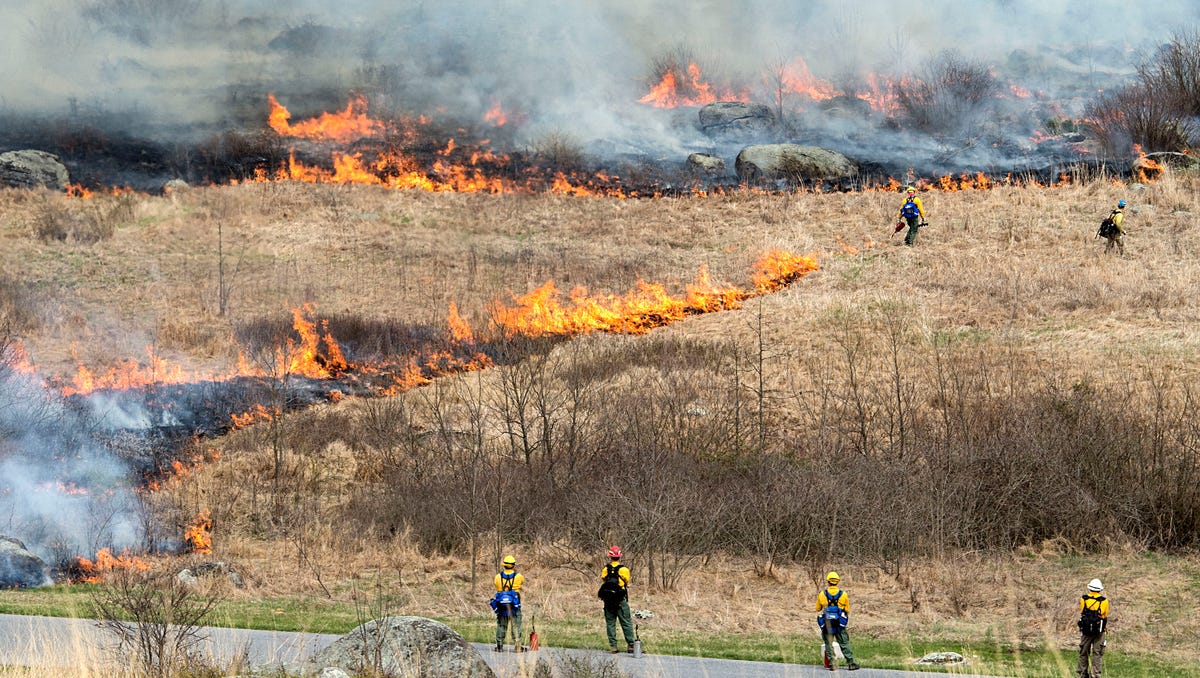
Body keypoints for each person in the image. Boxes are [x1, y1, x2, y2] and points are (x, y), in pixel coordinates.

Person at [815, 571, 859, 671]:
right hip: (839, 624)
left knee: (828, 643)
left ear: (828, 582)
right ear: (837, 582)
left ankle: (832, 664)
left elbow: (817, 608)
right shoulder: (843, 594)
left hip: (827, 623)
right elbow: (847, 610)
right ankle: (851, 663)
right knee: (844, 643)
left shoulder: (822, 594)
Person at [598, 545, 635, 654]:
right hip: (620, 599)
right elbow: (627, 581)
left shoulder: (605, 569)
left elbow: (603, 579)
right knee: (626, 622)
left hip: (608, 600)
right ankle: (631, 646)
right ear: (620, 556)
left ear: (610, 557)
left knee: (610, 622)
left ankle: (613, 646)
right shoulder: (624, 570)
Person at [1077, 578, 1110, 678]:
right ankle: (1095, 674)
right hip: (1099, 631)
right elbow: (1104, 615)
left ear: (1089, 588)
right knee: (1097, 653)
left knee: (1084, 652)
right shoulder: (1104, 601)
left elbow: (1082, 611)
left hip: (1086, 630)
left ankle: (1081, 674)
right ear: (1100, 589)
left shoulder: (1084, 599)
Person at [492, 554, 524, 651]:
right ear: (514, 565)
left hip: (501, 605)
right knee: (516, 625)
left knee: (501, 624)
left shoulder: (497, 577)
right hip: (514, 604)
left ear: (504, 565)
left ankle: (499, 646)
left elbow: (495, 585)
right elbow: (522, 582)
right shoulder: (519, 576)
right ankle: (517, 647)